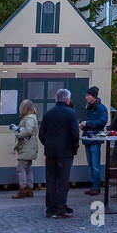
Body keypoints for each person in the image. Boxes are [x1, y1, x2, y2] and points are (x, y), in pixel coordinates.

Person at [39, 88, 80, 218]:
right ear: (67, 100)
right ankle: (61, 207)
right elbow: (75, 133)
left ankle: (50, 208)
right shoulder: (71, 113)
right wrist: (74, 147)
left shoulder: (48, 113)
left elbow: (41, 134)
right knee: (63, 181)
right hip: (66, 152)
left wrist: (48, 144)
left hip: (50, 151)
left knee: (51, 180)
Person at [79, 86, 109, 196]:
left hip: (95, 139)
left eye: (88, 95)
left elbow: (102, 122)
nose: (86, 97)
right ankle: (94, 186)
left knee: (95, 165)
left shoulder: (101, 108)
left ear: (94, 96)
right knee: (91, 164)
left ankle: (96, 187)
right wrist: (83, 125)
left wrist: (87, 124)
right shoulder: (88, 107)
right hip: (88, 138)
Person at [12, 99, 39, 199]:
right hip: (30, 146)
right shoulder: (32, 117)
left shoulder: (29, 118)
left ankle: (22, 189)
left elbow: (28, 131)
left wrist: (18, 135)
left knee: (21, 168)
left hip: (27, 146)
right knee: (28, 169)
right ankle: (29, 189)